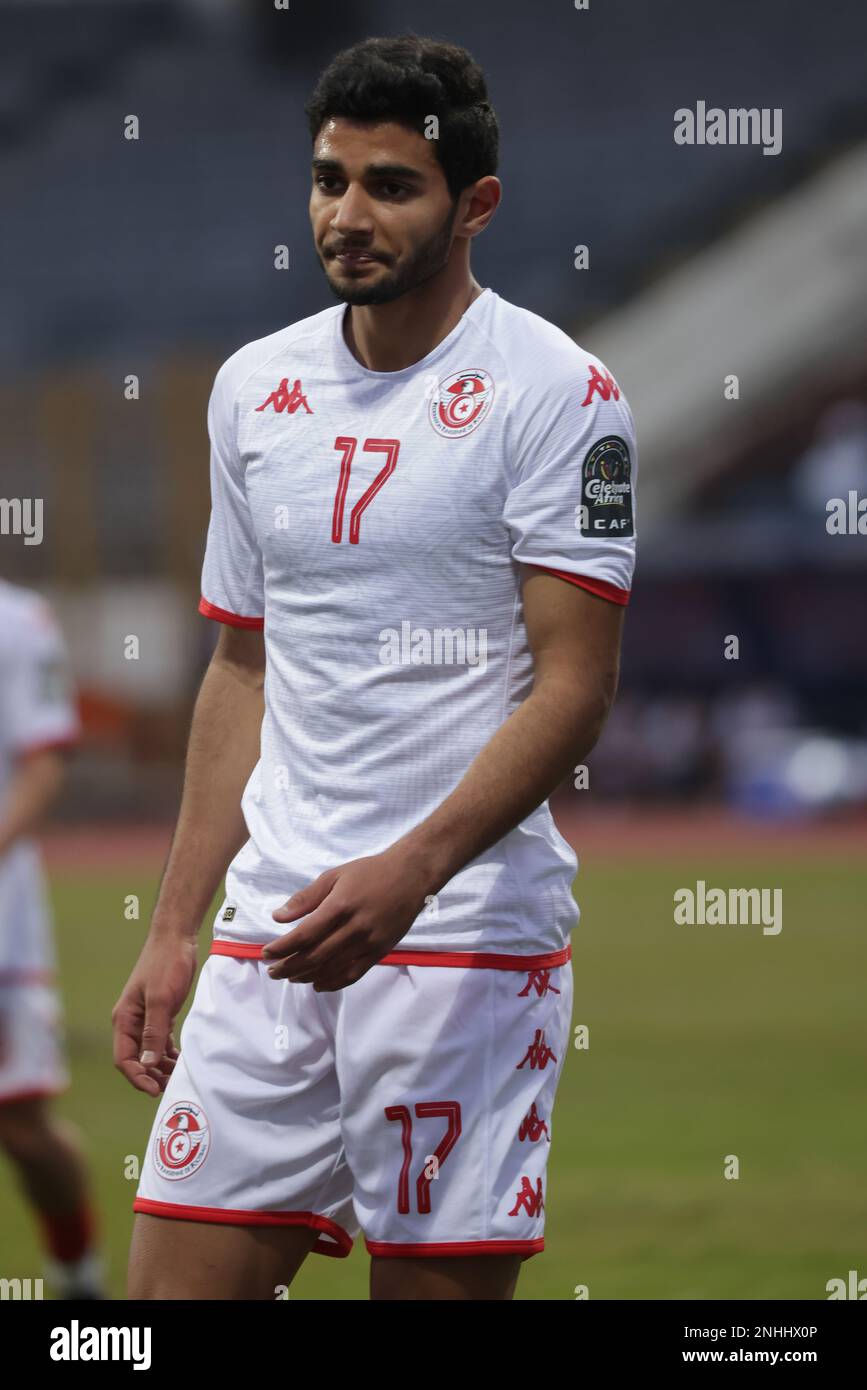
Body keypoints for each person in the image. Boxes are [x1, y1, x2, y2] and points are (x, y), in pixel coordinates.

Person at [116, 33, 637, 1301]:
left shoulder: (561, 394)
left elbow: (575, 688)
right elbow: (241, 668)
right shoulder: (253, 388)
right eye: (329, 179)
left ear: (477, 205)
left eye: (390, 185)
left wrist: (412, 868)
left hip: (459, 933)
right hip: (271, 938)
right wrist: (176, 927)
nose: (347, 215)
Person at [0, 579, 105, 1299]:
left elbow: (44, 762)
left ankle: (78, 1282)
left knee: (23, 1127)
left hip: (2, 926)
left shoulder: (19, 622)